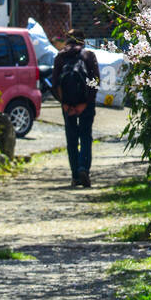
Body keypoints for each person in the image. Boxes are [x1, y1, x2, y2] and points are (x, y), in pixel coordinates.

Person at [52, 28, 101, 188]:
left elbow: (54, 84)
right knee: (86, 136)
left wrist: (65, 103)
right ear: (83, 40)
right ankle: (83, 169)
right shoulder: (88, 56)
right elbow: (95, 81)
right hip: (85, 104)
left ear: (68, 39)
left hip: (67, 105)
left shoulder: (60, 57)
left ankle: (75, 176)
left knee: (72, 139)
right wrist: (85, 103)